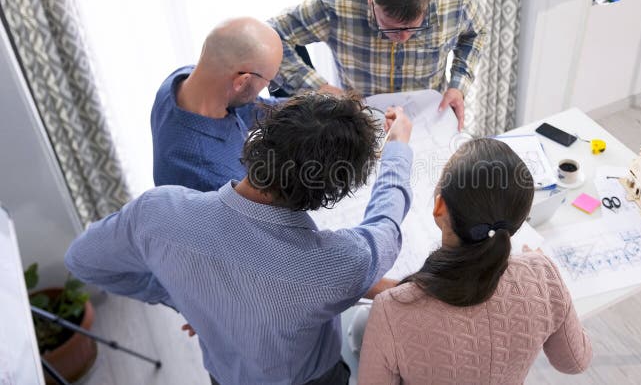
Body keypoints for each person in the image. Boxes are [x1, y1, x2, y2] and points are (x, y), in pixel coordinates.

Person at [66, 92, 415, 385]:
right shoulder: (342, 262)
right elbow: (385, 225)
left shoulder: (156, 212)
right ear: (334, 192)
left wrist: (184, 297)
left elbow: (81, 260)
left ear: (261, 137)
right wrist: (398, 147)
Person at [358, 138, 592, 384]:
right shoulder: (543, 273)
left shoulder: (391, 311)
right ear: (519, 218)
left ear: (440, 207)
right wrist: (549, 282)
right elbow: (576, 362)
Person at [269, 0, 485, 131]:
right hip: (361, 121)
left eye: (412, 27)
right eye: (390, 28)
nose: (402, 38)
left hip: (428, 118)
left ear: (428, 2)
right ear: (371, 1)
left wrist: (458, 85)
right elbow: (273, 33)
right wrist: (320, 87)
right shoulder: (336, 3)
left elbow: (475, 34)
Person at [150, 17, 283, 192]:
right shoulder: (215, 177)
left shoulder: (182, 81)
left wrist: (310, 105)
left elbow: (251, 108)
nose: (268, 86)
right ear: (242, 82)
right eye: (270, 82)